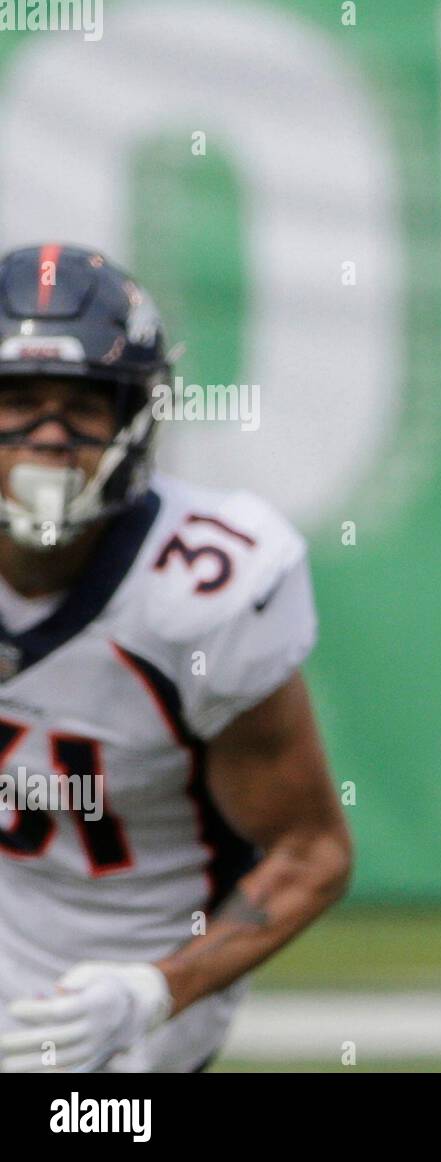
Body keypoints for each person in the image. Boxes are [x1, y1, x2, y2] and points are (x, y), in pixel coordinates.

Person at [0, 244, 351, 1072]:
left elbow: (313, 854)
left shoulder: (202, 589)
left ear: (135, 418)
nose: (49, 439)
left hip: (131, 966)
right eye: (17, 401)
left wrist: (154, 989)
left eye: (84, 406)